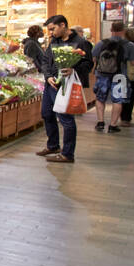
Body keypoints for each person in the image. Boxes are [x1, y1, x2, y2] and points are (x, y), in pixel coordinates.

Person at [37, 14, 93, 164]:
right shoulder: (54, 41)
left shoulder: (81, 42)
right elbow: (45, 61)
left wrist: (73, 69)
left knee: (66, 119)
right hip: (51, 84)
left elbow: (88, 64)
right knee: (47, 114)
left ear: (63, 25)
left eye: (52, 29)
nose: (50, 33)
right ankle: (53, 145)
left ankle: (68, 154)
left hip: (66, 85)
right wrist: (48, 76)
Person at [91, 21, 134, 132]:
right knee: (118, 100)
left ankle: (100, 122)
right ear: (123, 31)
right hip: (120, 76)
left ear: (111, 30)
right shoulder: (129, 45)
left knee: (100, 98)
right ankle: (113, 125)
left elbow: (93, 58)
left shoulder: (101, 43)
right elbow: (133, 62)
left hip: (102, 75)